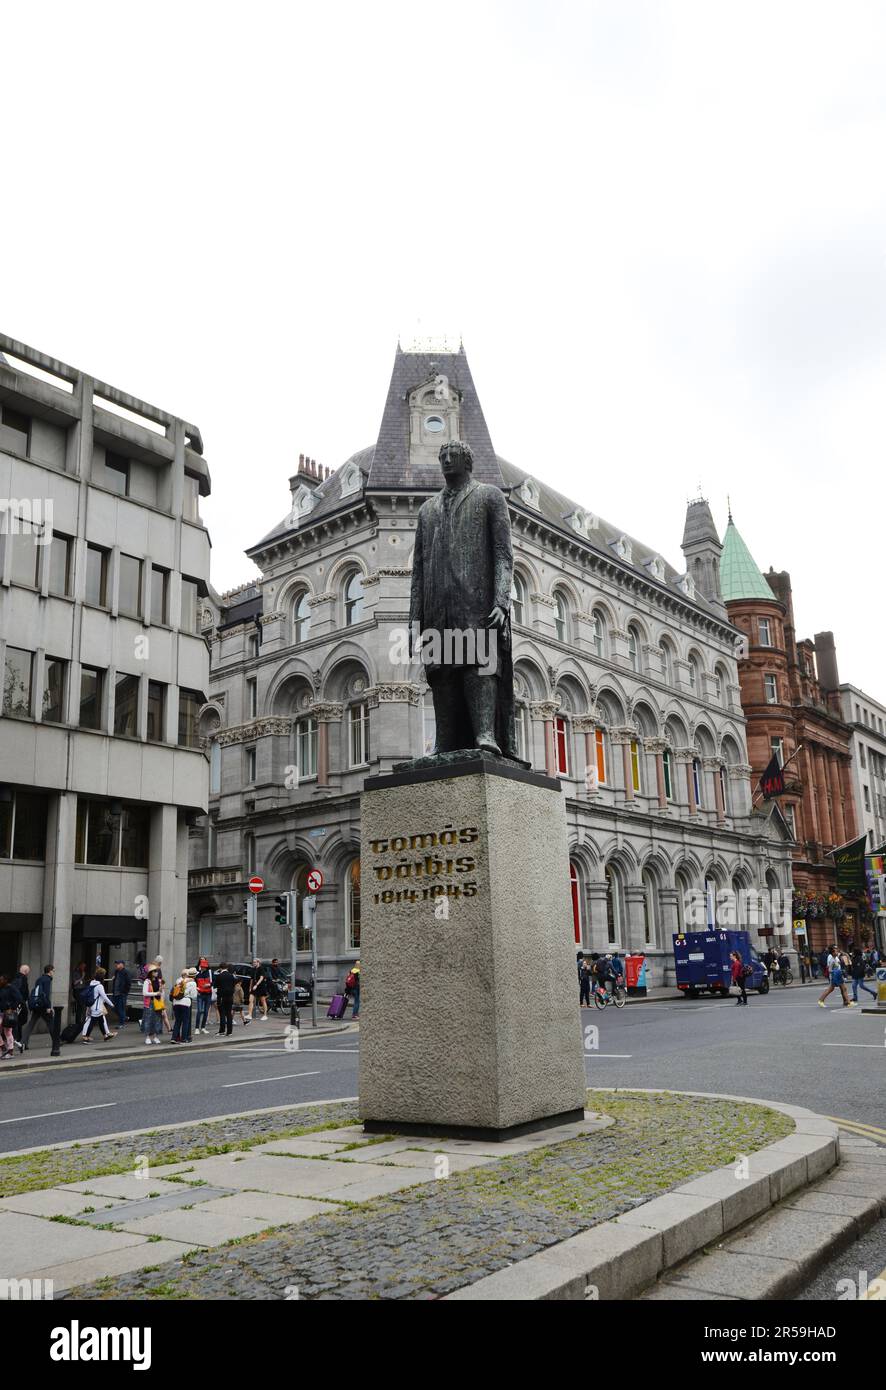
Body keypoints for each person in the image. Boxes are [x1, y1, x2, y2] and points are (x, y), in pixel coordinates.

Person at [21, 965, 55, 1050]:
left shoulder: (39, 979)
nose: (54, 972)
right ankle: (57, 1041)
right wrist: (48, 1007)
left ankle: (23, 1043)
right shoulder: (47, 980)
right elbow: (45, 995)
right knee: (51, 1023)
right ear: (49, 971)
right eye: (53, 971)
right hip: (43, 1006)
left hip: (36, 1005)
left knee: (31, 1024)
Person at [80, 968, 117, 1040]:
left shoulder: (92, 983)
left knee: (100, 1021)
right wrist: (112, 1004)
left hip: (92, 1005)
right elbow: (105, 997)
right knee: (91, 1022)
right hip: (97, 1007)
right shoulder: (99, 986)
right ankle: (86, 1037)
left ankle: (106, 1035)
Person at [170, 970, 197, 1042]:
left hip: (176, 1002)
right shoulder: (192, 983)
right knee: (185, 1021)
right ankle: (184, 1038)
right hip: (185, 1003)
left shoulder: (178, 981)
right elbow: (194, 996)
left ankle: (174, 1038)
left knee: (177, 1021)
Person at [10, 964, 30, 1051]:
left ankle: (17, 1040)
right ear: (25, 971)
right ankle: (18, 1040)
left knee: (17, 1022)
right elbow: (24, 992)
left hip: (15, 1004)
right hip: (20, 1004)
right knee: (19, 1022)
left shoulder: (15, 978)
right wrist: (23, 1002)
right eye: (28, 972)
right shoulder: (23, 979)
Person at [1, 975, 21, 1059]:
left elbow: (19, 998)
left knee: (8, 1032)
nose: (0, 981)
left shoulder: (12, 988)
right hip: (1, 1012)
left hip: (8, 1013)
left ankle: (10, 1051)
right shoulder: (1, 988)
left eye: (1, 980)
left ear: (6, 980)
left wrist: (12, 1008)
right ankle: (2, 1046)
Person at [143, 969, 164, 1044]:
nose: (156, 973)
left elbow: (161, 993)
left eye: (157, 971)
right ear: (151, 973)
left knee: (157, 1020)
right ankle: (147, 1037)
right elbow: (145, 993)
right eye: (155, 971)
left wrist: (161, 993)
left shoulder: (159, 981)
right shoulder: (147, 981)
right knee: (148, 1020)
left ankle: (155, 1036)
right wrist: (156, 993)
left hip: (158, 1002)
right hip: (150, 1003)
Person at [214, 963, 235, 1036]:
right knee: (229, 1014)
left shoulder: (219, 976)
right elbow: (233, 986)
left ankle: (222, 1031)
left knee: (222, 1014)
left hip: (222, 997)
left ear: (220, 968)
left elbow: (215, 985)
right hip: (230, 997)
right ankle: (229, 1031)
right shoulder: (231, 976)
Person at [194, 958, 213, 1034]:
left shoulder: (210, 972)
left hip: (208, 994)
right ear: (200, 966)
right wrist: (196, 989)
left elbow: (214, 981)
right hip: (200, 994)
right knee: (199, 1011)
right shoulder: (197, 974)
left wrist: (210, 984)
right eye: (202, 966)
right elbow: (194, 983)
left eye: (205, 967)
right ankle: (196, 1028)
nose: (203, 968)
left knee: (205, 1011)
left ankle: (203, 1027)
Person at [110, 960, 131, 1028]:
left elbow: (128, 983)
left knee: (121, 1008)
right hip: (115, 993)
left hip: (122, 993)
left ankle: (122, 1024)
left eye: (118, 963)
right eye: (116, 963)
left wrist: (125, 992)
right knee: (113, 1007)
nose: (116, 965)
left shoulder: (126, 972)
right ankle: (124, 1017)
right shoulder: (116, 972)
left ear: (122, 964)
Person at [72, 961, 89, 1029]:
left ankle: (81, 1020)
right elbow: (75, 983)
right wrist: (82, 977)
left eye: (84, 967)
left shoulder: (82, 972)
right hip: (77, 991)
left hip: (82, 990)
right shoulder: (76, 972)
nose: (84, 968)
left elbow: (82, 982)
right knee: (80, 1005)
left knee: (81, 1006)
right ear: (80, 966)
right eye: (83, 966)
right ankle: (78, 1021)